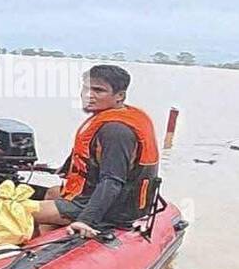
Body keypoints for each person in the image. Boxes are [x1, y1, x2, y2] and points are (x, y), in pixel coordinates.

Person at [34, 65, 160, 238]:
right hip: (103, 196)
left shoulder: (116, 131)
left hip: (113, 208)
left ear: (120, 96)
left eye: (98, 90)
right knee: (52, 193)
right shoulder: (112, 117)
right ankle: (45, 241)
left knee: (17, 212)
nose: (88, 95)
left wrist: (85, 220)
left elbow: (112, 181)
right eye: (86, 88)